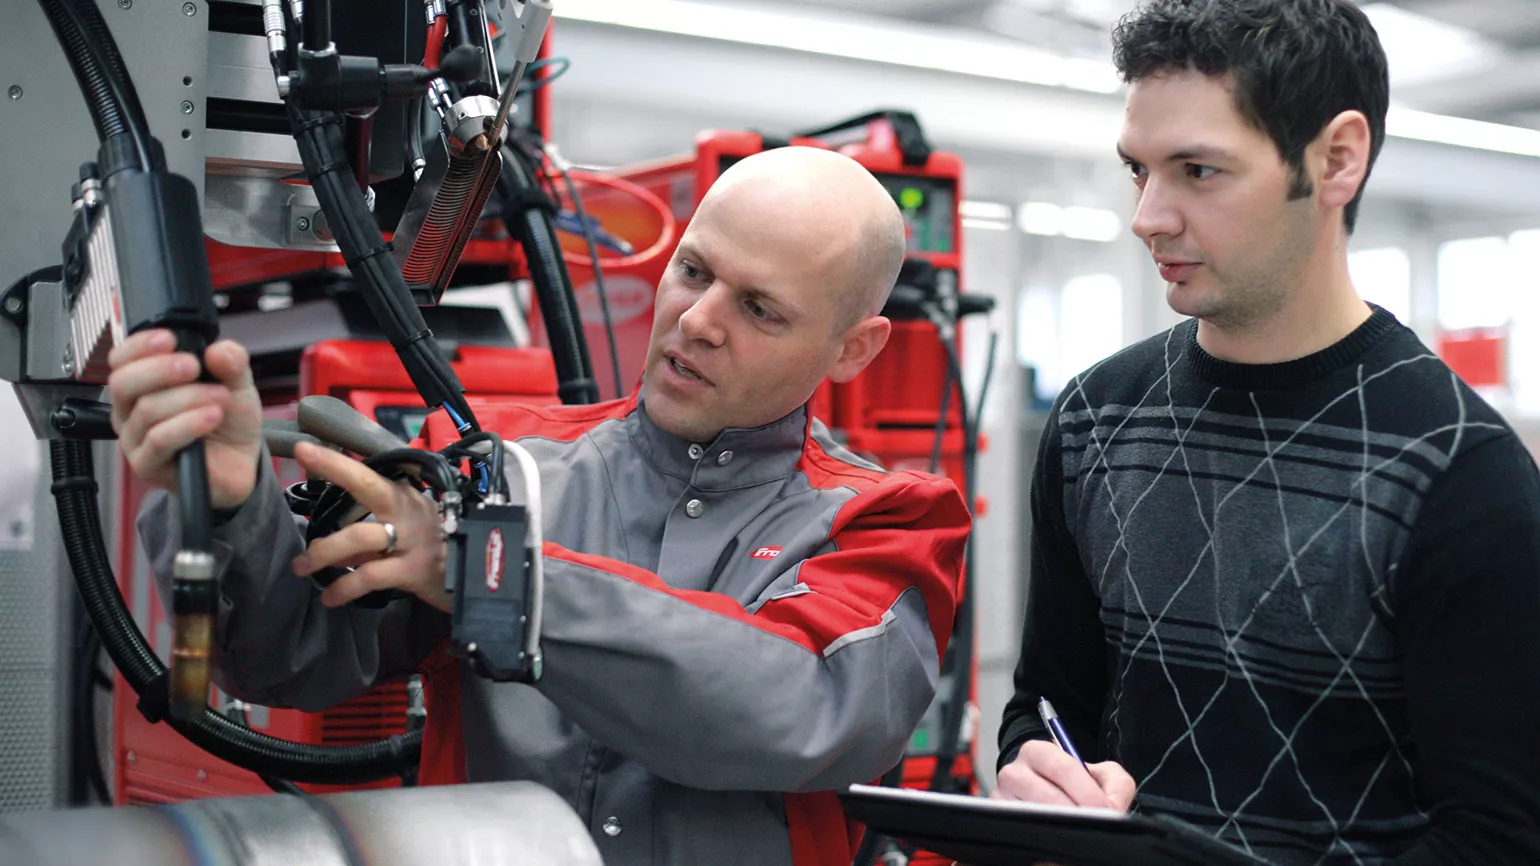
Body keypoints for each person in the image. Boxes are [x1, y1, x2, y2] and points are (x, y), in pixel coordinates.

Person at [109, 146, 970, 866]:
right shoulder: (503, 465)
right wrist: (228, 505)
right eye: (694, 271)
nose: (697, 321)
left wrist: (495, 580)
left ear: (853, 349)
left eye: (758, 309)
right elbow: (291, 660)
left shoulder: (891, 517)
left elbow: (800, 710)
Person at [995, 0, 1540, 863]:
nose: (1149, 215)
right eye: (1139, 169)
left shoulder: (1458, 473)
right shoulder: (1096, 417)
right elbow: (1048, 708)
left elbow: (1497, 839)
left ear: (1336, 160)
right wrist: (1034, 770)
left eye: (1199, 171)